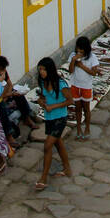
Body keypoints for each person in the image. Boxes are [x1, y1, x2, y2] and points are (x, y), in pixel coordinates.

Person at [31, 56, 73, 190]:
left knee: (47, 145)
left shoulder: (61, 84)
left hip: (60, 117)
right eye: (40, 70)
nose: (42, 72)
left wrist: (53, 107)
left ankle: (43, 178)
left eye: (44, 69)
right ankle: (67, 169)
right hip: (49, 118)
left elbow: (70, 101)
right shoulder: (43, 83)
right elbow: (44, 97)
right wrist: (41, 101)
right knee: (58, 143)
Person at [0, 54, 34, 142]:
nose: (5, 71)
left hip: (5, 97)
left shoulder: (3, 73)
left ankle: (27, 118)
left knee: (18, 94)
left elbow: (9, 85)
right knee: (1, 106)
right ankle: (9, 134)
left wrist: (10, 93)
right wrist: (7, 95)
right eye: (2, 69)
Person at [69, 36, 100, 138]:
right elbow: (71, 71)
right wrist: (73, 60)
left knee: (86, 108)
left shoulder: (92, 57)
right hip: (75, 86)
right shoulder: (73, 55)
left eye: (81, 49)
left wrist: (82, 66)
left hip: (86, 87)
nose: (79, 51)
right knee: (77, 108)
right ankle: (78, 128)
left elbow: (94, 73)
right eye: (78, 48)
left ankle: (87, 128)